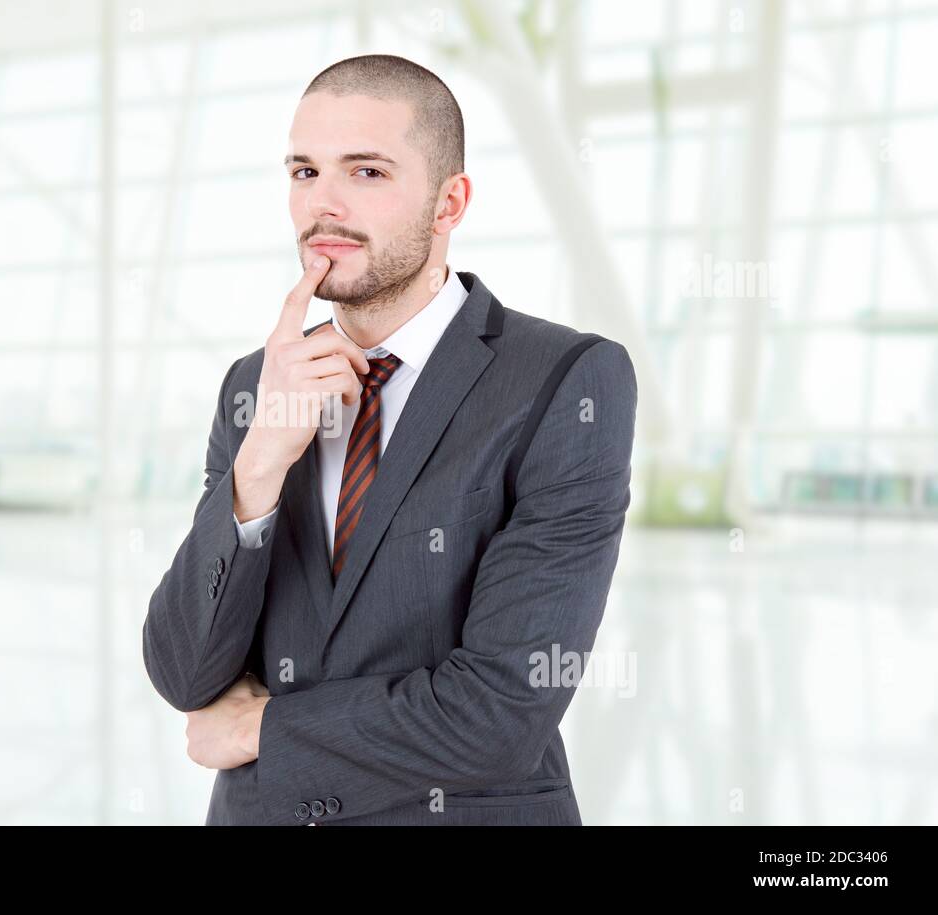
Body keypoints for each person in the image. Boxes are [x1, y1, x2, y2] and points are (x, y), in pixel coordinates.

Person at [142, 54, 637, 825]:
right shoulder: (256, 384)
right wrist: (261, 463)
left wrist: (260, 726)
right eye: (304, 172)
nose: (323, 205)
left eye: (365, 172)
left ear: (450, 203)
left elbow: (502, 710)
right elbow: (184, 672)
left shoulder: (565, 380)